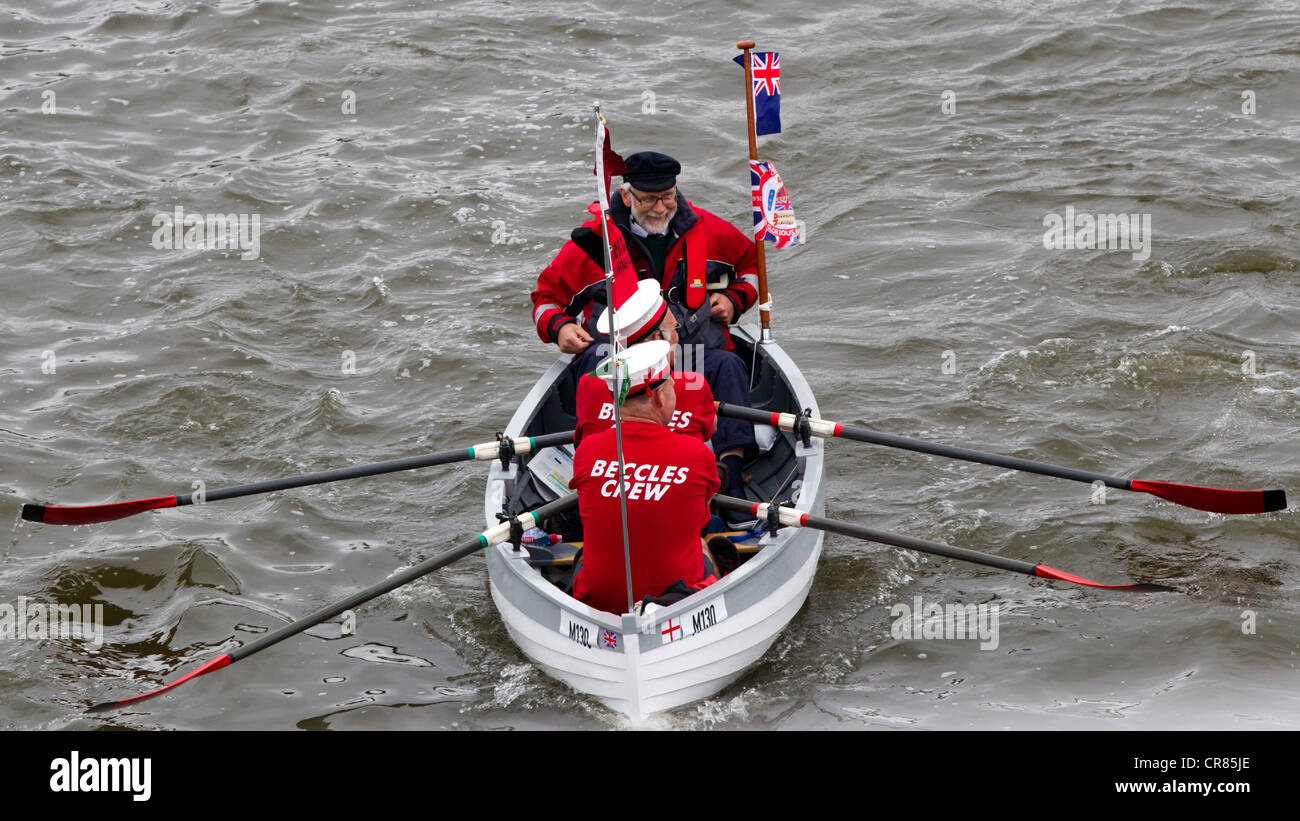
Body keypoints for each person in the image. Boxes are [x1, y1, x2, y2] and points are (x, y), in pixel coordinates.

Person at [569, 341, 720, 614]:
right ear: (660, 396)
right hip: (676, 601)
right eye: (673, 386)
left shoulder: (586, 453)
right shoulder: (698, 455)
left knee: (585, 550)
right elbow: (700, 521)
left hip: (599, 601)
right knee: (701, 544)